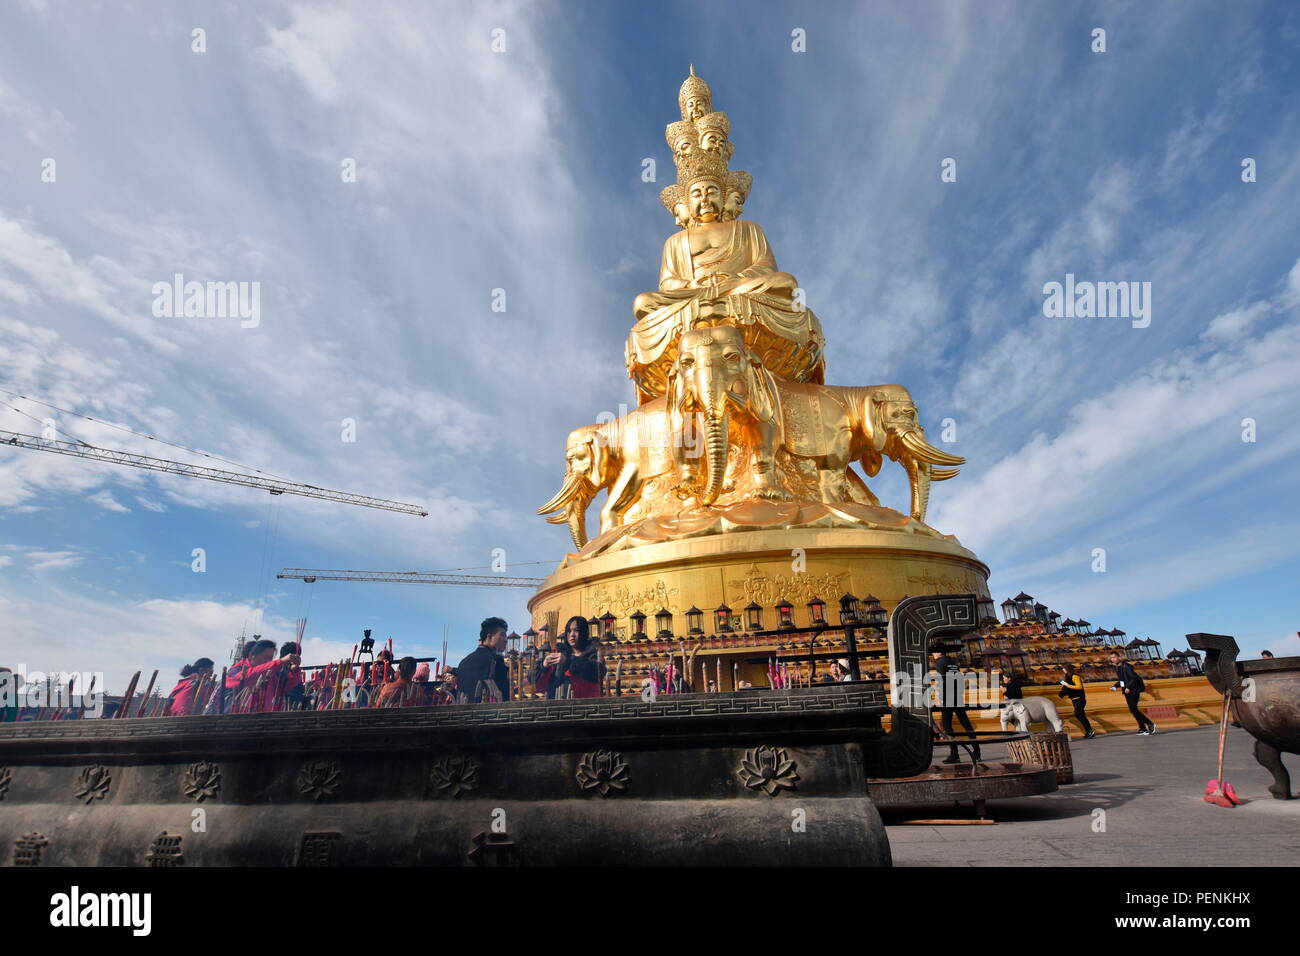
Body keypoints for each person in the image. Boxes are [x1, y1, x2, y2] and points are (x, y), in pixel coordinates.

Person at [534, 616, 606, 699]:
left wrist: (568, 661)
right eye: (569, 631)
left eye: (576, 630)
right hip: (558, 704)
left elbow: (598, 672)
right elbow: (534, 680)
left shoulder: (594, 653)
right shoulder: (559, 652)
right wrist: (543, 665)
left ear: (584, 632)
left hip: (584, 704)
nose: (572, 634)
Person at [931, 648, 981, 764]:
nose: (933, 654)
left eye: (934, 652)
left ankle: (955, 754)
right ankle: (977, 751)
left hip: (947, 697)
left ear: (939, 652)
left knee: (948, 726)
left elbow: (941, 680)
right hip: (957, 695)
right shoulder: (953, 662)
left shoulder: (940, 662)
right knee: (966, 724)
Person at [456, 618, 511, 703]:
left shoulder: (464, 662)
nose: (506, 640)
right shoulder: (496, 661)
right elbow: (504, 696)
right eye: (502, 635)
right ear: (489, 637)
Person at [1109, 651, 1155, 735]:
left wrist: (1128, 687)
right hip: (1127, 691)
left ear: (1119, 657)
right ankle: (1143, 728)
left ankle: (1149, 724)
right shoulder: (1118, 668)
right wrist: (1115, 686)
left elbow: (1133, 678)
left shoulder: (1126, 666)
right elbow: (1122, 680)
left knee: (1133, 709)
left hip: (1133, 690)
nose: (1113, 659)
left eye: (1114, 657)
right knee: (1133, 710)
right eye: (1111, 658)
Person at [1057, 663, 1095, 739]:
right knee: (1081, 715)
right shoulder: (1068, 676)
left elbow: (1079, 687)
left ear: (1067, 669)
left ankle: (1089, 730)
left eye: (1064, 668)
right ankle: (1089, 731)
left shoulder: (1075, 676)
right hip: (1074, 700)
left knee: (1078, 714)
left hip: (1080, 699)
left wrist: (1068, 686)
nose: (1062, 670)